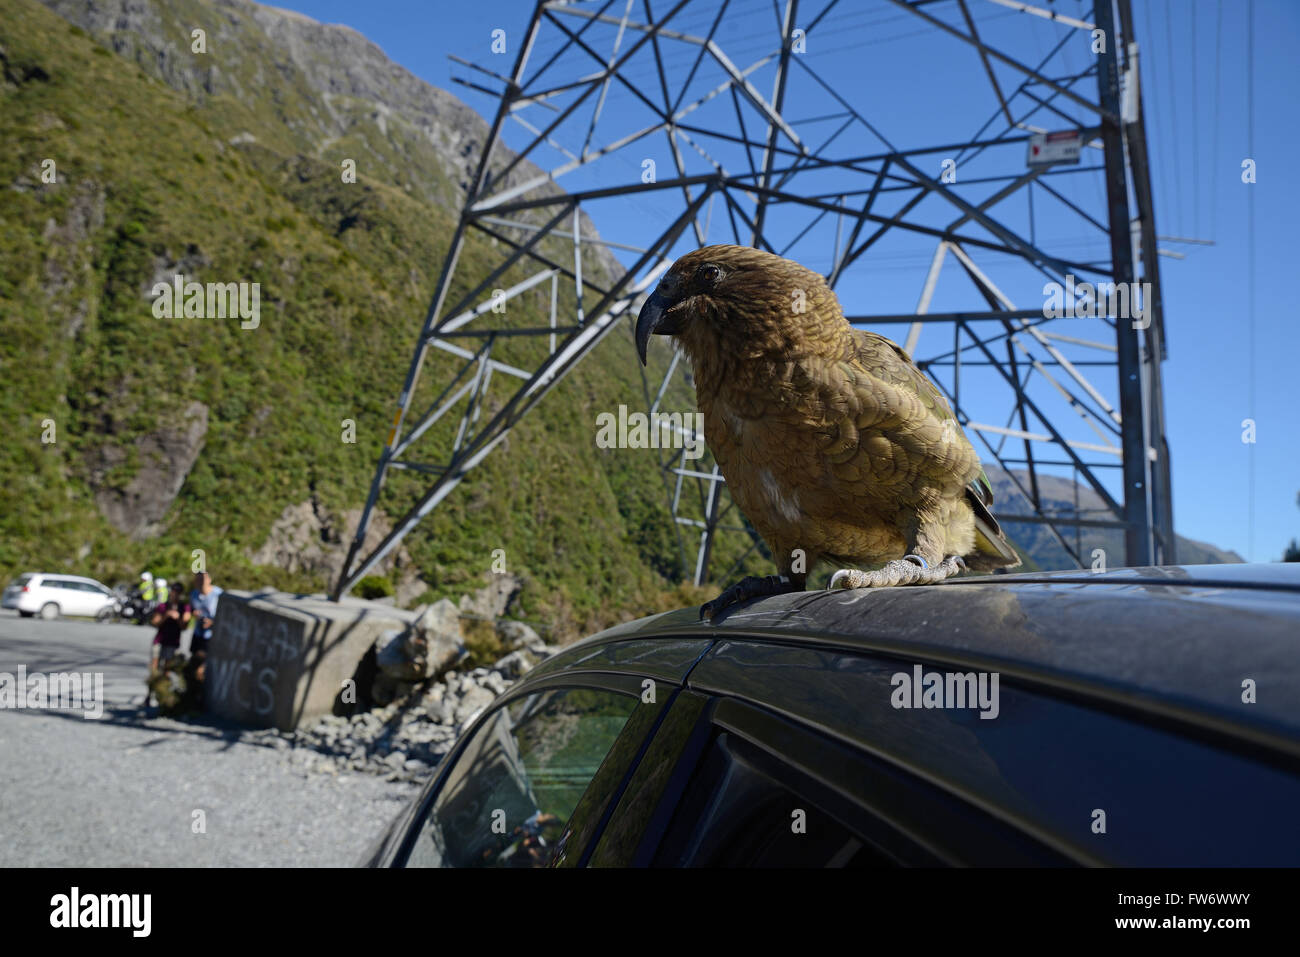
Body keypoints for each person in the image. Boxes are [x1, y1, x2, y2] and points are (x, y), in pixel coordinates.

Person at [148, 582, 192, 675]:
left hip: (173, 642)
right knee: (154, 667)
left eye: (178, 592)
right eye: (173, 591)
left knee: (167, 668)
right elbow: (155, 622)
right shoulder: (162, 606)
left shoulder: (184, 607)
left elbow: (184, 627)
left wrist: (178, 618)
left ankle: (163, 686)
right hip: (159, 640)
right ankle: (152, 685)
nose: (175, 594)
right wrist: (166, 615)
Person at [189, 571, 223, 683]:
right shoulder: (194, 594)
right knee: (195, 661)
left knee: (206, 666)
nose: (200, 583)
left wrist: (212, 622)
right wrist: (195, 614)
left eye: (203, 580)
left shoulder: (218, 594)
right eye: (198, 580)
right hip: (199, 633)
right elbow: (193, 610)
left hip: (212, 635)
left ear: (209, 580)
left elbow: (225, 616)